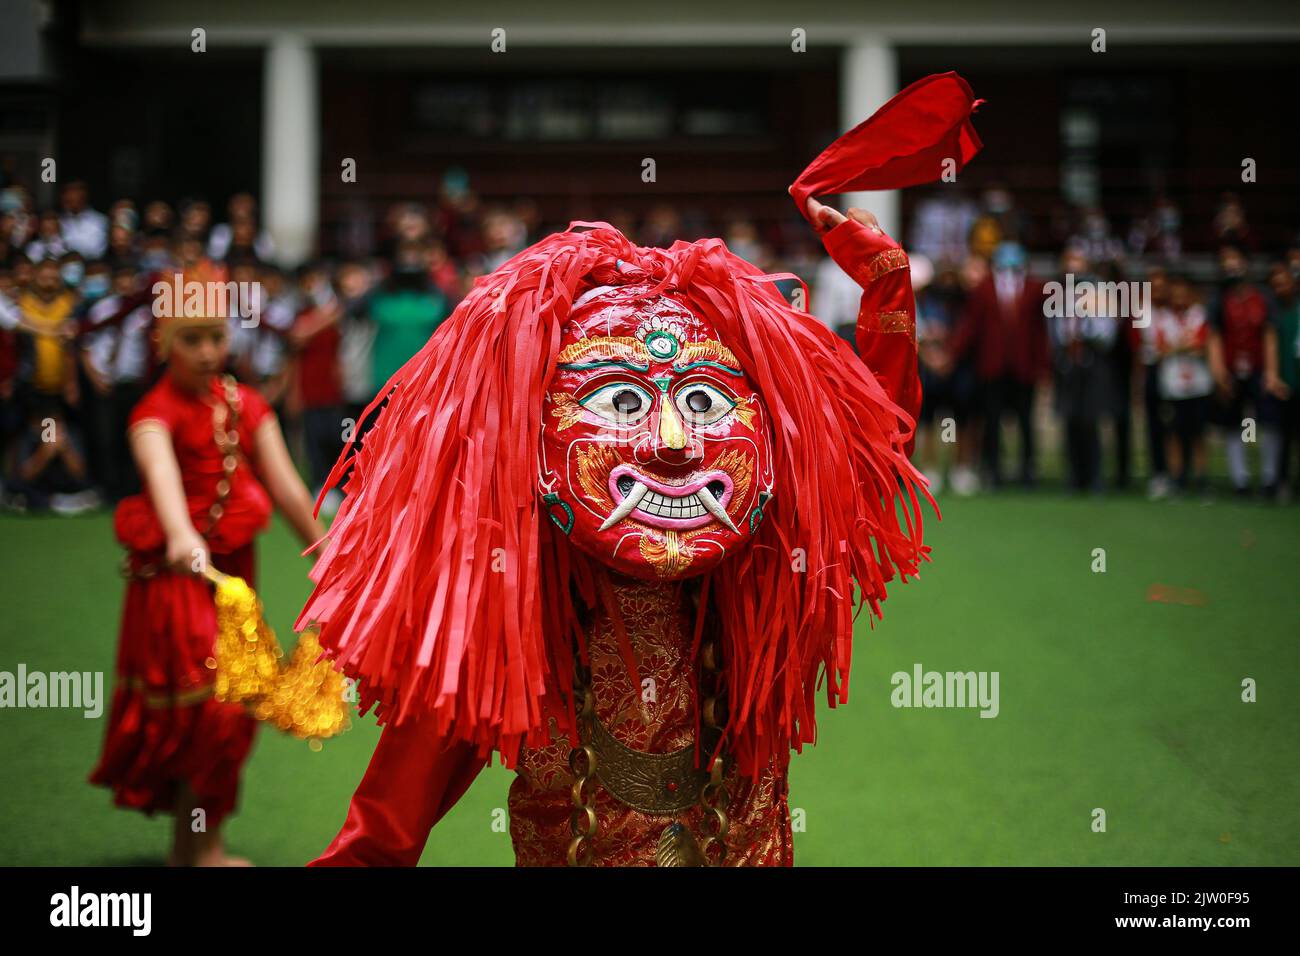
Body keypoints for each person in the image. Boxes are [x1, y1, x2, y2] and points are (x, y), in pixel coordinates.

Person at [88, 305, 325, 866]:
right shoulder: (153, 413)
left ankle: (198, 848)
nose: (205, 351)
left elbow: (289, 488)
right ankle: (195, 851)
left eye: (215, 337)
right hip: (176, 583)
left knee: (233, 712)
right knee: (210, 707)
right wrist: (179, 533)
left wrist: (329, 552)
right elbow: (162, 476)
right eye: (190, 339)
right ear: (165, 344)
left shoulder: (248, 405)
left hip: (233, 582)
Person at [951, 241, 1048, 488]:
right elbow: (971, 327)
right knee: (991, 421)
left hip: (1023, 367)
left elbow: (1040, 332)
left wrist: (1043, 365)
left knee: (1026, 421)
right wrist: (953, 354)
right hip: (992, 366)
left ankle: (1028, 470)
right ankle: (993, 470)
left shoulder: (1034, 289)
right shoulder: (984, 289)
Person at [1208, 246, 1280, 496]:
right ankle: (1241, 479)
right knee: (1236, 423)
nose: (1231, 266)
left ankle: (1270, 479)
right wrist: (1218, 371)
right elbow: (1214, 336)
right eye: (1225, 262)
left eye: (1234, 261)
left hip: (1258, 369)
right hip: (1231, 371)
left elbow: (1269, 335)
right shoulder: (1219, 300)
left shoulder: (1262, 297)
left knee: (1265, 422)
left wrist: (1271, 372)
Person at [1152, 275, 1214, 494]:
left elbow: (1203, 346)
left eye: (1182, 293)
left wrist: (1176, 346)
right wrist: (1183, 345)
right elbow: (1159, 350)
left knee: (1198, 433)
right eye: (1175, 293)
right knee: (1174, 433)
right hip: (1172, 386)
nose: (1179, 297)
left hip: (1198, 384)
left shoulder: (1199, 316)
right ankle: (1177, 477)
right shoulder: (1163, 318)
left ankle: (1201, 478)